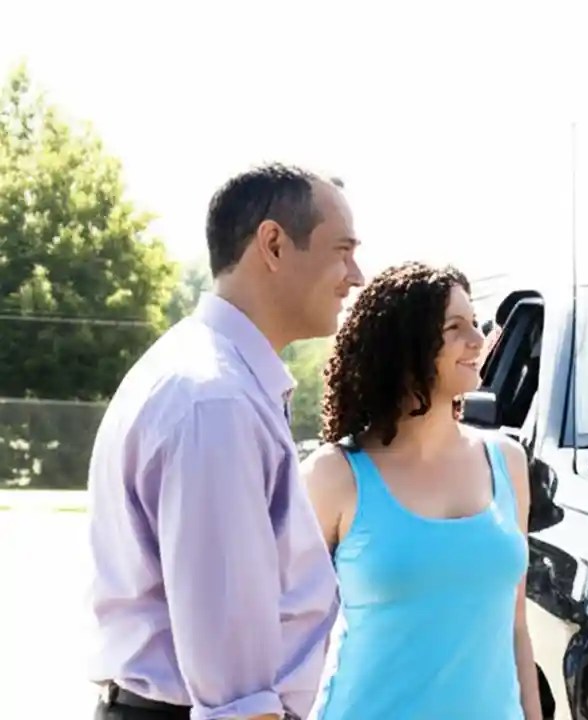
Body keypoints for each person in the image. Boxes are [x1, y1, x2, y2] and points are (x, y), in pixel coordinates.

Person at [87, 164, 365, 719]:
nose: (355, 275)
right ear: (274, 244)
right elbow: (235, 694)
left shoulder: (212, 380)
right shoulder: (215, 402)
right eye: (342, 250)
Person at [301, 261, 541, 720]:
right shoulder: (336, 474)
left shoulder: (507, 461)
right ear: (404, 346)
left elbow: (516, 628)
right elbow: (284, 630)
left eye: (476, 324)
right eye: (456, 328)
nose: (478, 341)